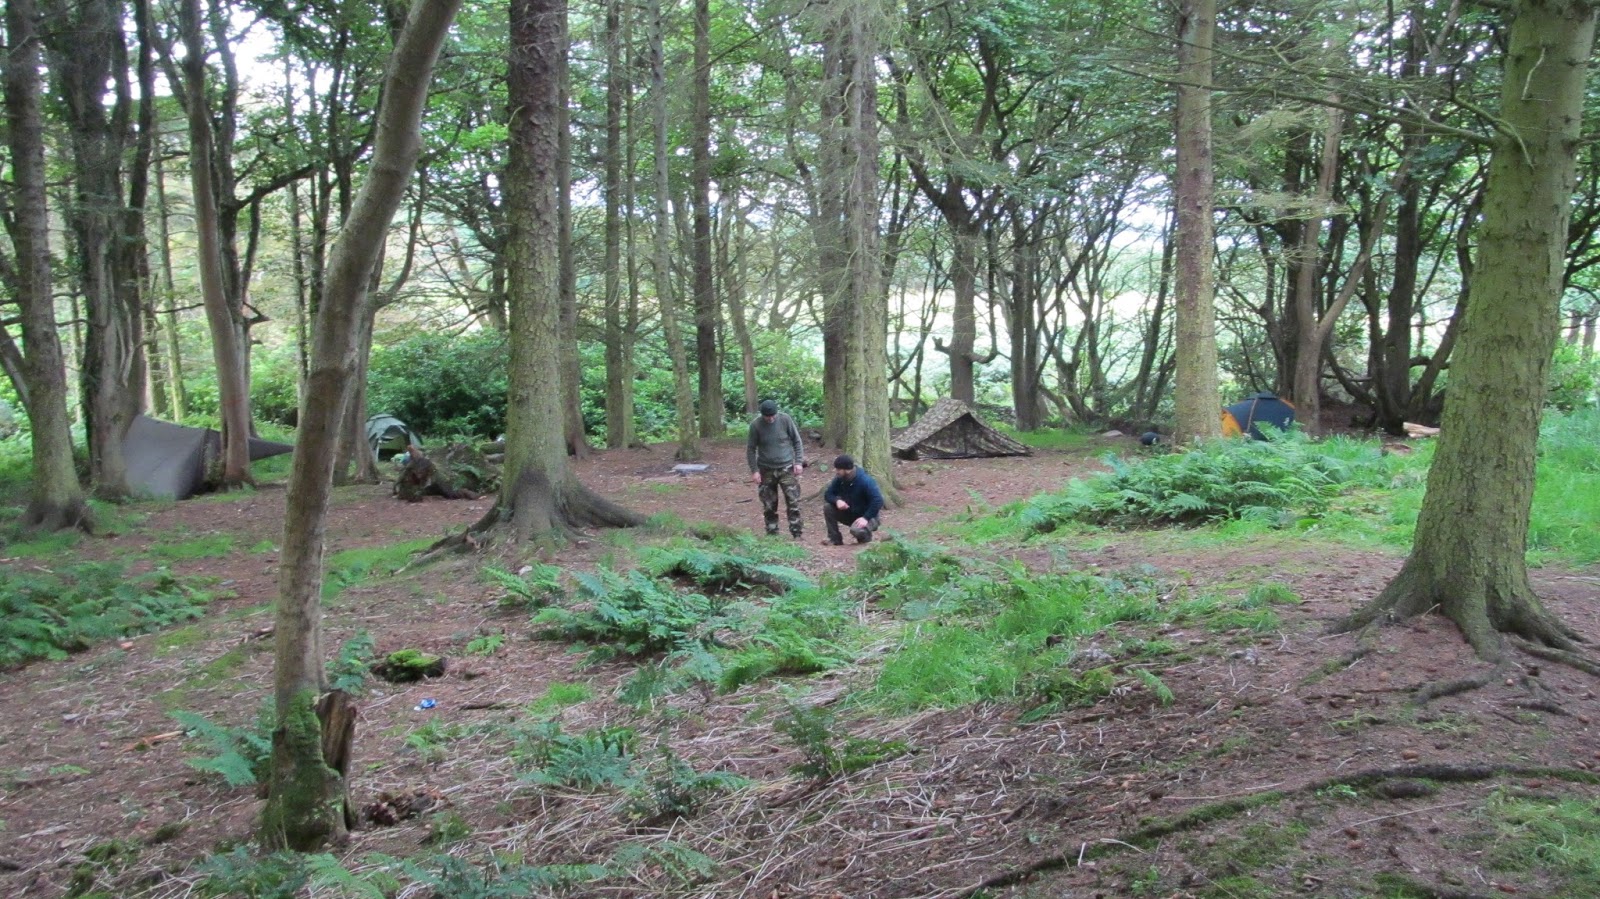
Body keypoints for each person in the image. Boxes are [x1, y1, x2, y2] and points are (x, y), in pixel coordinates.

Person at [747, 399, 805, 538]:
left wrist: (798, 462)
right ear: (762, 415)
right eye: (768, 416)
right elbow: (751, 449)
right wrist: (754, 470)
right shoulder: (756, 425)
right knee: (769, 504)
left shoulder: (785, 420)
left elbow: (797, 441)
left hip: (786, 468)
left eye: (773, 415)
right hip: (766, 469)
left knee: (793, 501)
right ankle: (772, 533)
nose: (771, 419)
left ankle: (796, 533)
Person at [822, 454, 883, 545]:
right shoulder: (840, 479)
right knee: (828, 507)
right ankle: (835, 539)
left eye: (838, 469)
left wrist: (865, 518)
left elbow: (878, 500)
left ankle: (865, 538)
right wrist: (837, 501)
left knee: (856, 530)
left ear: (846, 469)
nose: (836, 472)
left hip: (869, 517)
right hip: (851, 514)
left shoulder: (865, 481)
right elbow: (828, 494)